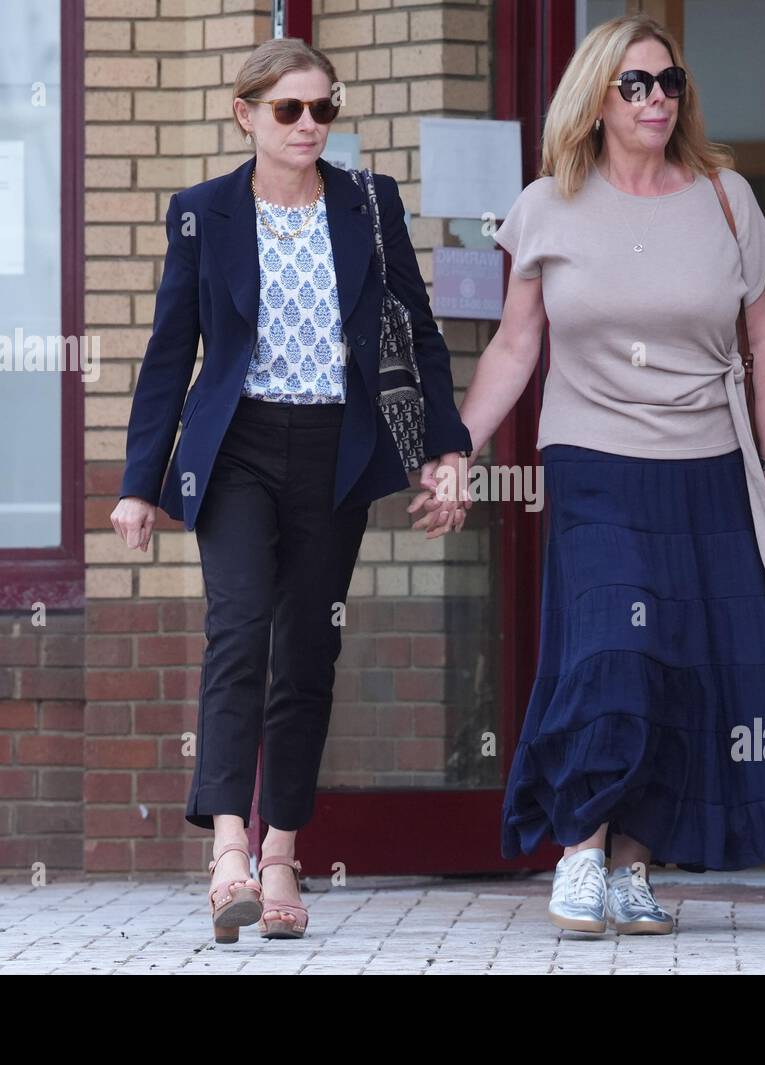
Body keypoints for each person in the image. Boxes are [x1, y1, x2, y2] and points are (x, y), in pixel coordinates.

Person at [410, 13, 765, 935]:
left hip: (709, 464)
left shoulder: (724, 198)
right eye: (636, 84)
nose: (657, 99)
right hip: (595, 463)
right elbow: (518, 344)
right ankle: (581, 850)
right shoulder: (551, 203)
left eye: (669, 82)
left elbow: (763, 344)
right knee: (613, 655)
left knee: (684, 670)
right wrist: (457, 453)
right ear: (597, 97)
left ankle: (635, 862)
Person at [111, 38, 472, 942]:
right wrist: (137, 484)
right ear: (247, 116)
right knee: (237, 630)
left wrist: (447, 448)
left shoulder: (369, 205)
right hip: (235, 449)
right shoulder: (203, 213)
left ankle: (281, 849)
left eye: (324, 109)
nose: (310, 126)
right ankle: (228, 846)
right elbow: (169, 357)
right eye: (289, 111)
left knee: (307, 649)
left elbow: (419, 337)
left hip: (335, 450)